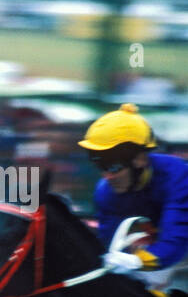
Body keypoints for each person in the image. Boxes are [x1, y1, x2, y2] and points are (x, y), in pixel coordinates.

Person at [78, 103, 188, 283]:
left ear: (140, 159)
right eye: (101, 167)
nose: (107, 176)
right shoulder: (105, 192)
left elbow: (175, 242)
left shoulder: (179, 178)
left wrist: (137, 261)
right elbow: (109, 246)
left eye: (113, 167)